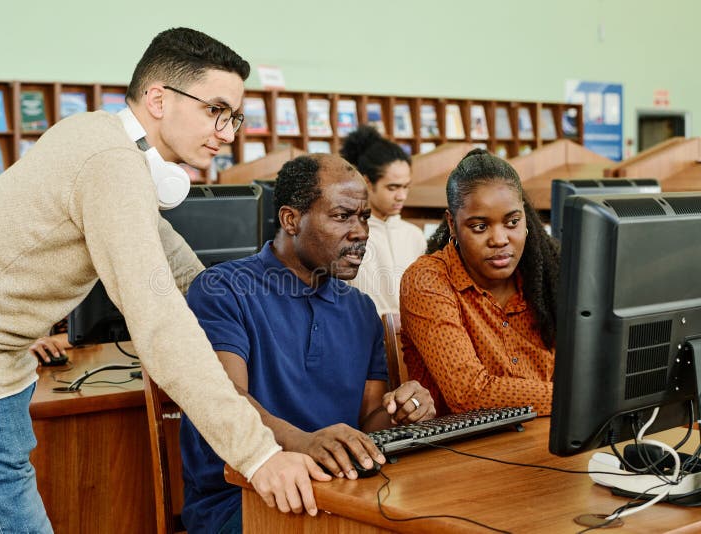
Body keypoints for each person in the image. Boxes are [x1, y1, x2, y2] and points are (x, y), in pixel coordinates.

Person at [0, 28, 325, 532]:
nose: (227, 132)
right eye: (215, 110)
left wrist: (244, 308)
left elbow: (176, 262)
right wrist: (258, 455)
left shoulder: (100, 138)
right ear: (159, 99)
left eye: (233, 116)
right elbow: (158, 321)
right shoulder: (111, 165)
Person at [180, 153, 436, 533]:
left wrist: (401, 410)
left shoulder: (359, 308)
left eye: (363, 217)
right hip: (244, 496)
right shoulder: (224, 289)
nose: (361, 231)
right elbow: (225, 397)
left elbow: (369, 423)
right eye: (342, 216)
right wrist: (302, 442)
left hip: (340, 491)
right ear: (291, 220)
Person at [399, 149, 559, 416]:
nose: (499, 239)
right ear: (452, 224)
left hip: (542, 440)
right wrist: (574, 400)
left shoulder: (545, 279)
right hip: (459, 452)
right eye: (480, 227)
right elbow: (469, 393)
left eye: (512, 222)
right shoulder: (426, 280)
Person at [340, 125, 426, 316]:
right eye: (393, 187)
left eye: (406, 187)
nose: (401, 196)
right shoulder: (346, 234)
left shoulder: (415, 235)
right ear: (367, 182)